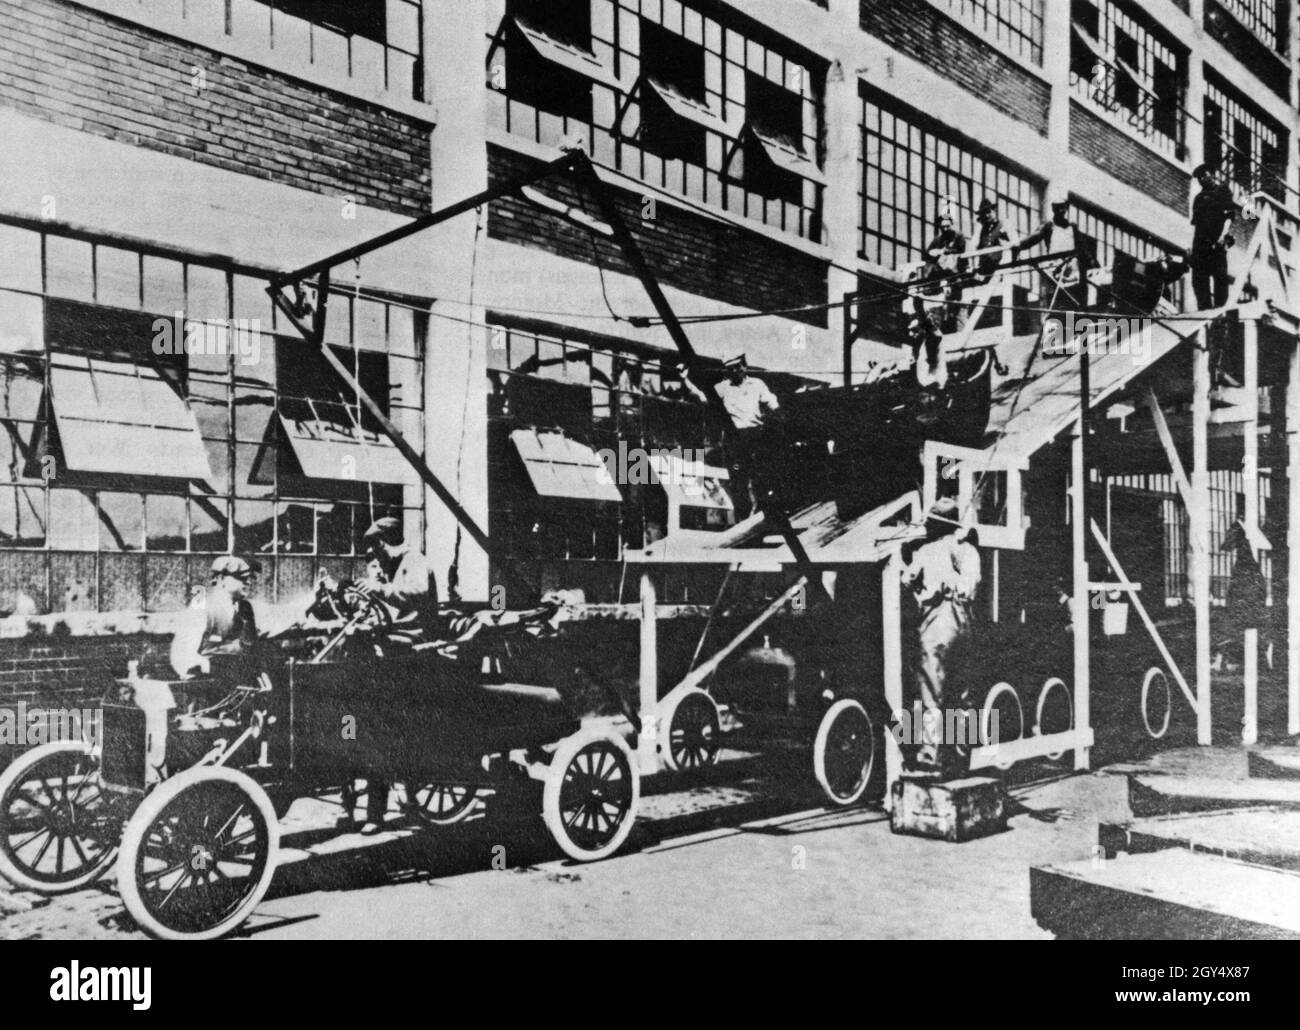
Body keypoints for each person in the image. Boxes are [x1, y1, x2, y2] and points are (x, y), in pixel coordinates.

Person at [902, 497, 981, 772]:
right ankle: (961, 756)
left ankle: (930, 756)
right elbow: (973, 586)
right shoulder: (970, 551)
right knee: (962, 692)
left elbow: (906, 580)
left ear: (935, 525)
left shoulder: (926, 550)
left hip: (937, 621)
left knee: (931, 691)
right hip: (965, 620)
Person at [679, 355, 779, 519]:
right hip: (734, 437)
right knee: (738, 480)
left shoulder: (758, 384)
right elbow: (702, 398)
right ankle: (743, 518)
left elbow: (773, 404)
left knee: (760, 478)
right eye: (730, 368)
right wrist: (685, 380)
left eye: (737, 367)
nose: (734, 371)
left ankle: (765, 515)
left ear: (744, 366)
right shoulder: (722, 388)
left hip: (755, 435)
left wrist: (772, 408)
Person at [169, 555, 261, 677]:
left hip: (239, 677)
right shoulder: (201, 609)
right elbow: (182, 655)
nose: (248, 582)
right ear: (221, 579)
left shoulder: (245, 609)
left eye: (250, 578)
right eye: (241, 578)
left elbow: (250, 647)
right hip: (207, 680)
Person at [1014, 191, 1094, 314]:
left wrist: (1092, 262)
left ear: (1066, 209)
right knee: (1058, 304)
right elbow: (1034, 238)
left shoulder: (1073, 227)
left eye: (1063, 208)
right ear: (1053, 210)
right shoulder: (1048, 227)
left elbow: (1083, 248)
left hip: (1073, 271)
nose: (1061, 211)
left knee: (1075, 302)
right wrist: (1019, 246)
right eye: (1058, 209)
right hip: (1056, 271)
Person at [1189, 163, 1240, 310]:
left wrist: (1223, 236)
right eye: (1199, 177)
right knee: (1198, 277)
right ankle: (1204, 309)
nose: (1202, 179)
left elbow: (1230, 216)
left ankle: (1219, 309)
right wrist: (1190, 246)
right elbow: (1195, 224)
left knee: (1220, 275)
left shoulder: (1223, 190)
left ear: (1212, 174)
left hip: (1216, 239)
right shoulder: (1198, 198)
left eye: (1204, 175)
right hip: (1200, 242)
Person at [974, 197, 1015, 279]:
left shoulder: (1003, 225)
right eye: (984, 213)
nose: (986, 215)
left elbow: (1014, 243)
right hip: (985, 268)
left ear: (994, 211)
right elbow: (979, 247)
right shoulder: (983, 230)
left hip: (1000, 265)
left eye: (988, 212)